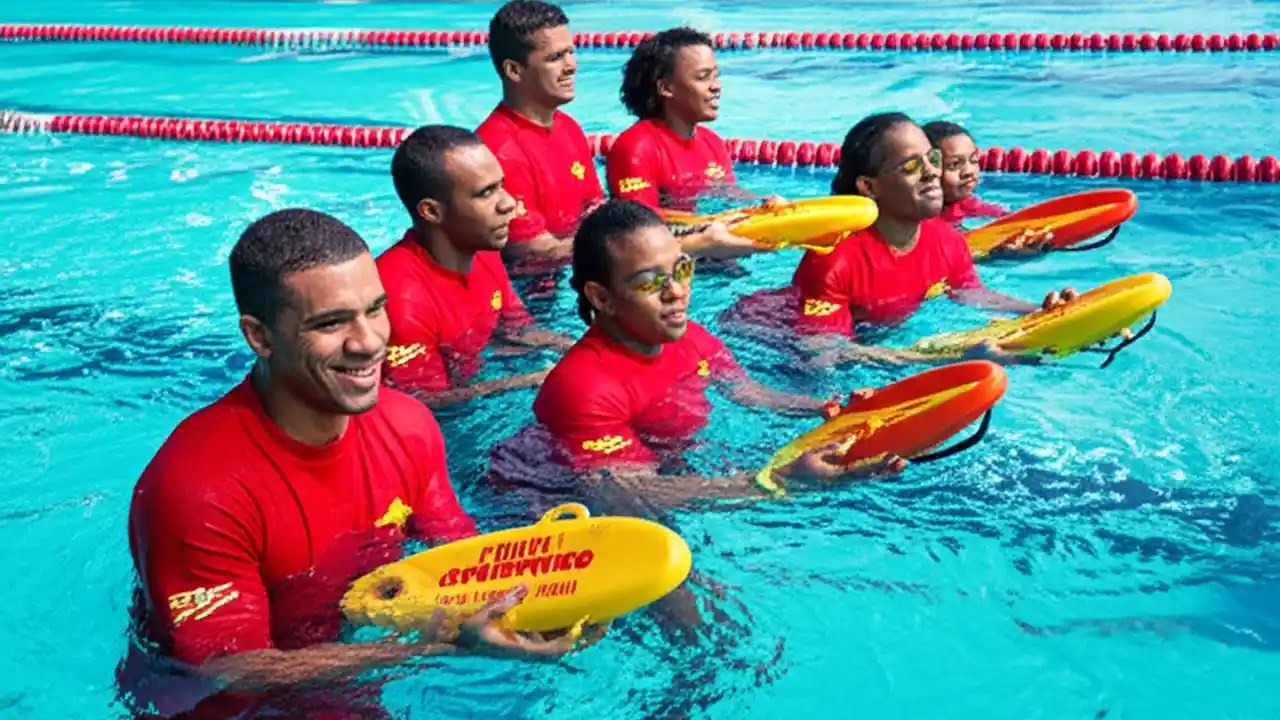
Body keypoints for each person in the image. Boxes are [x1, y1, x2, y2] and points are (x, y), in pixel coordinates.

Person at [120, 209, 598, 718]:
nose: (369, 342)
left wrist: (536, 606)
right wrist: (437, 646)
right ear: (259, 337)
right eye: (330, 323)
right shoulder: (198, 488)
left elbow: (461, 558)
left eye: (376, 309)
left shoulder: (408, 425)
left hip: (344, 665)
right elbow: (227, 670)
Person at [488, 198, 905, 518]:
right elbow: (630, 494)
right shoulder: (583, 387)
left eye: (681, 270)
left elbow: (748, 393)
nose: (677, 292)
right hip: (556, 502)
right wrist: (776, 481)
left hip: (657, 468)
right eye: (651, 282)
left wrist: (829, 408)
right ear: (601, 297)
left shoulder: (686, 335)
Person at [724, 113, 1077, 367]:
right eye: (911, 166)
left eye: (932, 159)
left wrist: (1038, 311)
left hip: (868, 335)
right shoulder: (834, 259)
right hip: (766, 339)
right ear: (869, 186)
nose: (932, 173)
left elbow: (971, 292)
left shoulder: (946, 240)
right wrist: (950, 358)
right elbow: (825, 357)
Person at [380, 124, 573, 407]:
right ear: (432, 211)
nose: (508, 203)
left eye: (501, 185)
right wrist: (529, 381)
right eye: (486, 193)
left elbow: (517, 327)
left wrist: (579, 349)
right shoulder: (403, 299)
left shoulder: (483, 251)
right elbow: (423, 401)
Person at [607, 27, 776, 256]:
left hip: (707, 253)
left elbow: (729, 198)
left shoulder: (711, 143)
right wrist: (712, 224)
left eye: (716, 75)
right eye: (703, 77)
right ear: (666, 88)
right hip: (660, 263)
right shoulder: (637, 147)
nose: (716, 86)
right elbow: (638, 223)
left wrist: (765, 205)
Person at [474, 0, 603, 274]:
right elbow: (533, 251)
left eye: (571, 52)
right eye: (556, 58)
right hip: (525, 291)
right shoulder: (497, 149)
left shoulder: (569, 128)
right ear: (514, 70)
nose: (571, 66)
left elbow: (595, 209)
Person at [922, 120, 1011, 228]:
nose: (968, 171)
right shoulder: (917, 219)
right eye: (954, 164)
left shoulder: (981, 209)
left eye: (974, 160)